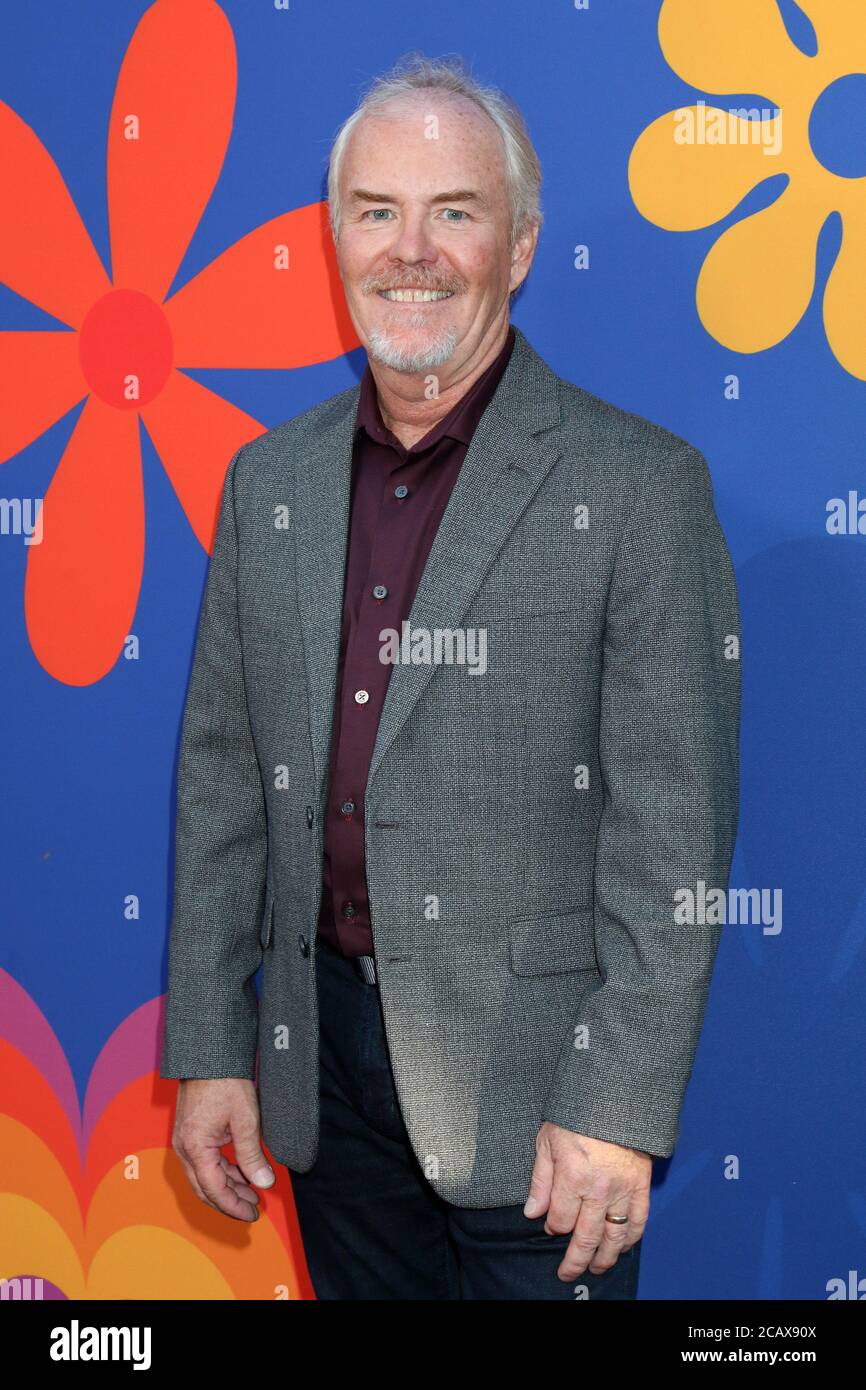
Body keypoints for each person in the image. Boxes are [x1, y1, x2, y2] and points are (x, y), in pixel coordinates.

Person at [160, 52, 741, 1301]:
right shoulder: (268, 485)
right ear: (334, 241)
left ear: (519, 246)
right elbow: (221, 784)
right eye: (376, 212)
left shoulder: (637, 488)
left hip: (544, 1112)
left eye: (453, 213)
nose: (408, 251)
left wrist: (617, 1104)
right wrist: (213, 1045)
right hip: (323, 1086)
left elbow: (673, 833)